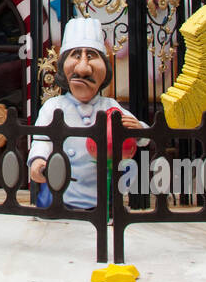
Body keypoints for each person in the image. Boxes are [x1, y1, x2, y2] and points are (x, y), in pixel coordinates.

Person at [28, 17, 144, 209]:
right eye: (75, 55)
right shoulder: (53, 107)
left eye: (91, 56)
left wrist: (138, 130)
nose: (83, 68)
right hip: (60, 194)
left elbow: (143, 137)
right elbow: (42, 141)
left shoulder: (110, 105)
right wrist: (38, 161)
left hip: (99, 194)